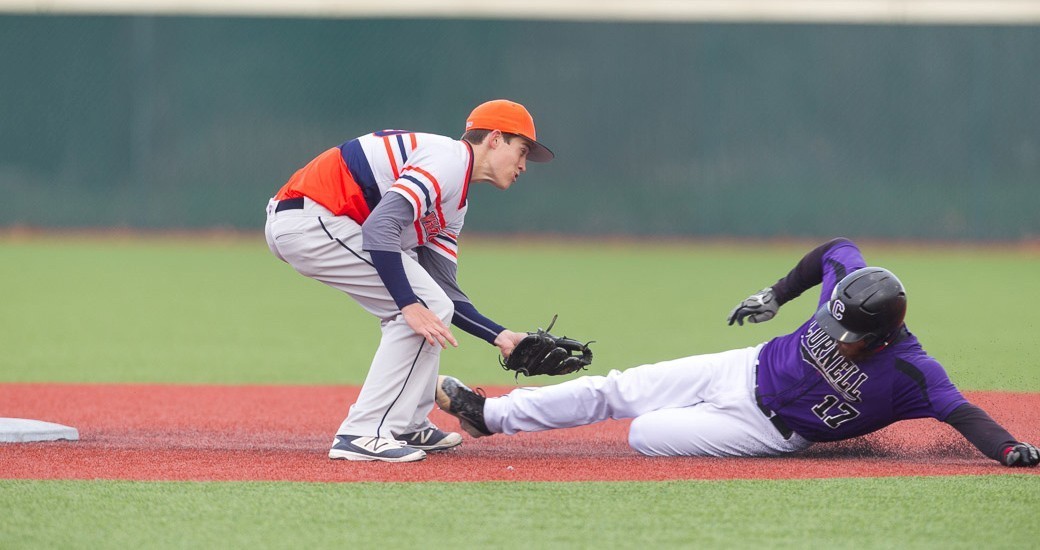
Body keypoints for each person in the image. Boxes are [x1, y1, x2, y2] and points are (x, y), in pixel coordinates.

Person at [435, 238, 1039, 467]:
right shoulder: (848, 288)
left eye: (849, 332)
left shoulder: (913, 373)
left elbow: (965, 415)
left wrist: (1011, 449)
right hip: (742, 364)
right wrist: (777, 295)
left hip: (768, 431)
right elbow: (836, 247)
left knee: (645, 432)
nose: (834, 330)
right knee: (615, 387)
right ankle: (489, 417)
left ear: (883, 336)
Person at [265, 99, 554, 463]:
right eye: (522, 150)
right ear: (495, 139)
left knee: (433, 306)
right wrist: (408, 304)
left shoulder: (455, 204)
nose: (524, 165)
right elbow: (380, 227)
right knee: (421, 308)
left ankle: (406, 423)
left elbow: (446, 291)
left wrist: (500, 336)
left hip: (323, 222)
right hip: (312, 217)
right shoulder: (448, 159)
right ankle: (362, 432)